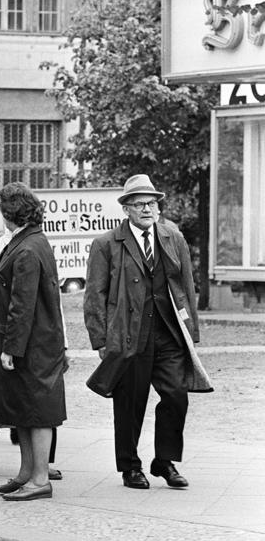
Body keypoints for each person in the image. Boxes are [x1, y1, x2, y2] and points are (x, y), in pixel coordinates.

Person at [84, 174, 207, 490]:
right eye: (138, 204)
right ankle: (130, 467)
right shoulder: (106, 244)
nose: (147, 209)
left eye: (151, 203)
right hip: (128, 335)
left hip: (168, 334)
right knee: (129, 403)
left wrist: (190, 331)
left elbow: (187, 286)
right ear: (126, 209)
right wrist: (100, 339)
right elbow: (94, 295)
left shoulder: (172, 237)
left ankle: (164, 461)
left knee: (177, 396)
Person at [0, 182, 67, 501]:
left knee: (38, 411)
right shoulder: (31, 241)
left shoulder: (28, 248)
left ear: (9, 214)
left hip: (33, 345)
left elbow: (23, 303)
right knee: (25, 410)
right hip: (37, 343)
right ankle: (27, 473)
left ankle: (40, 479)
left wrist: (10, 348)